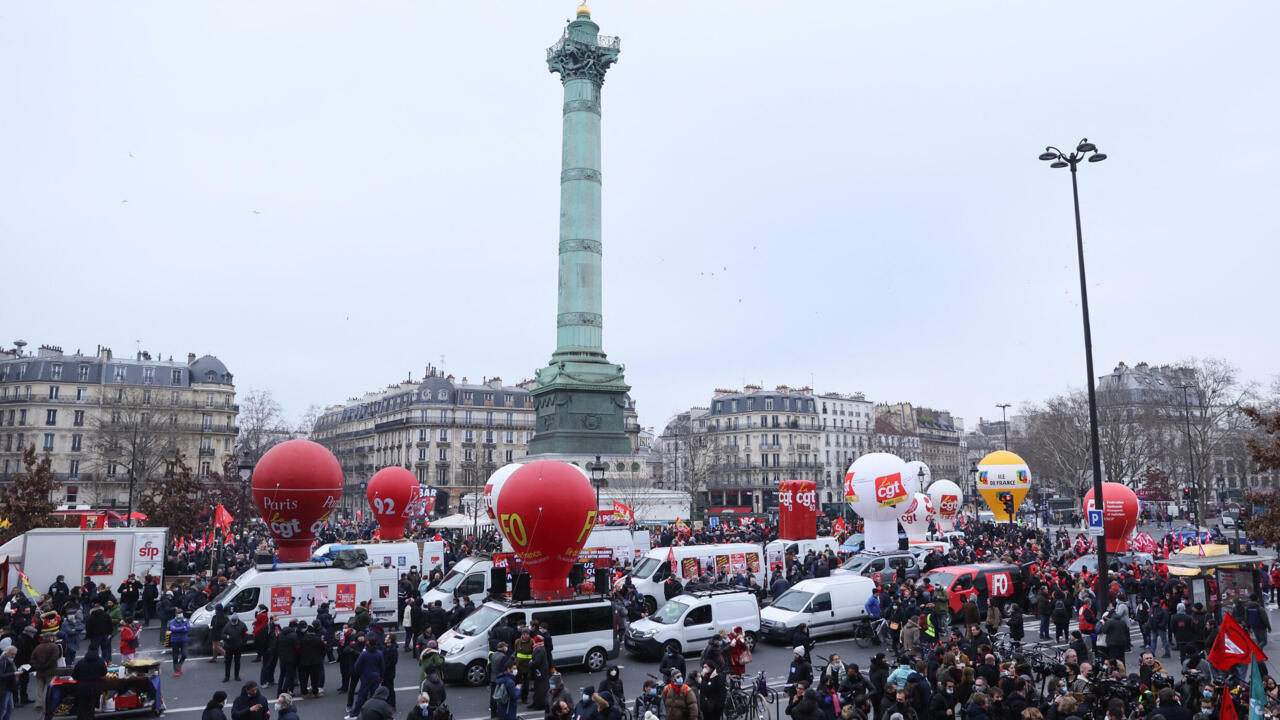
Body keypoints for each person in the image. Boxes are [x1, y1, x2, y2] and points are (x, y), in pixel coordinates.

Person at [70, 648, 108, 720]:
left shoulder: (81, 662)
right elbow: (104, 673)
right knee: (91, 708)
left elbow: (74, 675)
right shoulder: (100, 661)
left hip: (82, 688)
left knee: (81, 707)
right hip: (94, 688)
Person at [30, 634, 61, 714]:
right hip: (50, 670)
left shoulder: (38, 647)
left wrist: (38, 666)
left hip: (40, 671)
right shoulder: (54, 646)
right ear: (50, 638)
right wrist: (46, 665)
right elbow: (55, 657)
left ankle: (38, 704)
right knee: (51, 688)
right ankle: (51, 703)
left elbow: (32, 659)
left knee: (39, 688)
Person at [223, 615, 250, 682]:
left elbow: (246, 634)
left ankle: (236, 676)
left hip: (238, 647)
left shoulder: (242, 625)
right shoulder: (227, 625)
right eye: (232, 621)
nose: (233, 622)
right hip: (229, 647)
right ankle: (227, 677)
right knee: (228, 662)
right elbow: (222, 634)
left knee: (237, 662)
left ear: (237, 620)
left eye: (234, 621)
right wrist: (226, 637)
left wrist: (243, 643)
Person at [1, 646, 20, 720]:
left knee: (9, 707)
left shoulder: (8, 661)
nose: (14, 656)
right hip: (4, 688)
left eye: (15, 654)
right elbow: (1, 675)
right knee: (4, 709)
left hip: (9, 688)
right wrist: (14, 673)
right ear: (7, 653)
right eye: (12, 654)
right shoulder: (2, 662)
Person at [169, 612, 191, 676]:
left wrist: (177, 629)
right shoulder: (172, 621)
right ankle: (176, 671)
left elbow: (188, 628)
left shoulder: (186, 620)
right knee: (175, 656)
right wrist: (182, 627)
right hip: (175, 641)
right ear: (175, 615)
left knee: (184, 655)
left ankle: (179, 665)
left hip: (184, 640)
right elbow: (172, 629)